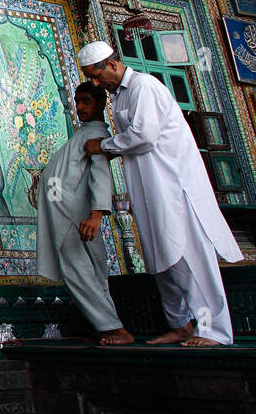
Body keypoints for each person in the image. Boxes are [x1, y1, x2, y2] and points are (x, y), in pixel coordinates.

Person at [80, 40, 240, 346]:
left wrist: (104, 146)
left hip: (175, 187)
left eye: (97, 77)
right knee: (162, 257)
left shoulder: (143, 87)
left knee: (193, 259)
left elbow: (145, 136)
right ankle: (181, 325)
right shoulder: (122, 97)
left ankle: (214, 331)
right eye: (91, 79)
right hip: (150, 189)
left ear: (112, 64)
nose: (97, 84)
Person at [36, 82, 132, 345]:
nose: (79, 107)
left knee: (78, 271)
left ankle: (115, 328)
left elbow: (100, 176)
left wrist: (96, 215)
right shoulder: (84, 134)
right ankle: (107, 325)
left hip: (73, 218)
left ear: (101, 104)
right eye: (77, 102)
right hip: (69, 215)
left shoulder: (96, 137)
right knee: (93, 271)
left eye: (86, 101)